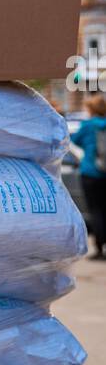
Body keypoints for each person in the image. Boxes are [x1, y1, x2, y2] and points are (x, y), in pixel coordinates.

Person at [71, 94, 106, 259]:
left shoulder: (88, 126)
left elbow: (74, 140)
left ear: (91, 109)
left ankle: (100, 249)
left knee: (96, 210)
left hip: (91, 173)